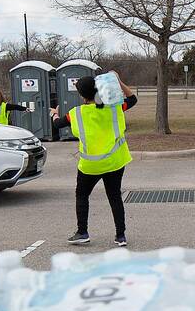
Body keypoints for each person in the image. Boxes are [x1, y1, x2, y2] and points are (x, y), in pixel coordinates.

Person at [51, 72, 136, 247]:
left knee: (82, 195)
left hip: (90, 165)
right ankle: (120, 236)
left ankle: (82, 232)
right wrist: (119, 82)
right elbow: (133, 99)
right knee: (114, 197)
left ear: (82, 96)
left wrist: (54, 114)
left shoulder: (76, 113)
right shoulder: (115, 107)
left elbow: (57, 124)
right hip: (114, 161)